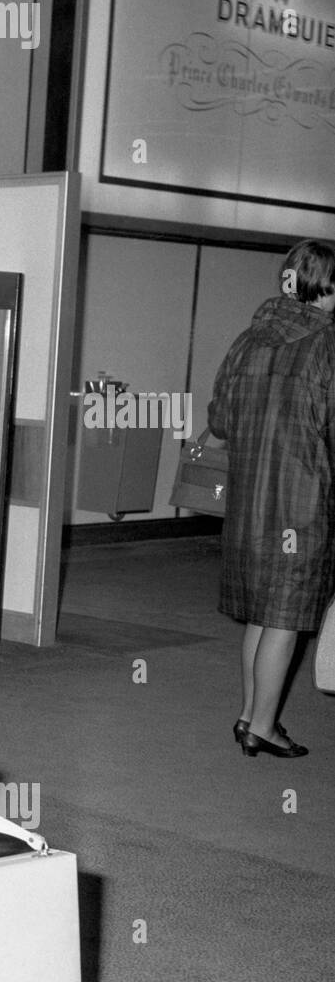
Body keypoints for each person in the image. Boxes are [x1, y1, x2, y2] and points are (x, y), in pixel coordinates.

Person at [208, 238, 335, 759]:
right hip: (303, 500)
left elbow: (219, 421)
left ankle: (247, 715)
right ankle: (262, 726)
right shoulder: (328, 343)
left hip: (250, 500)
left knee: (264, 612)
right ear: (325, 287)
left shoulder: (247, 340)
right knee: (285, 616)